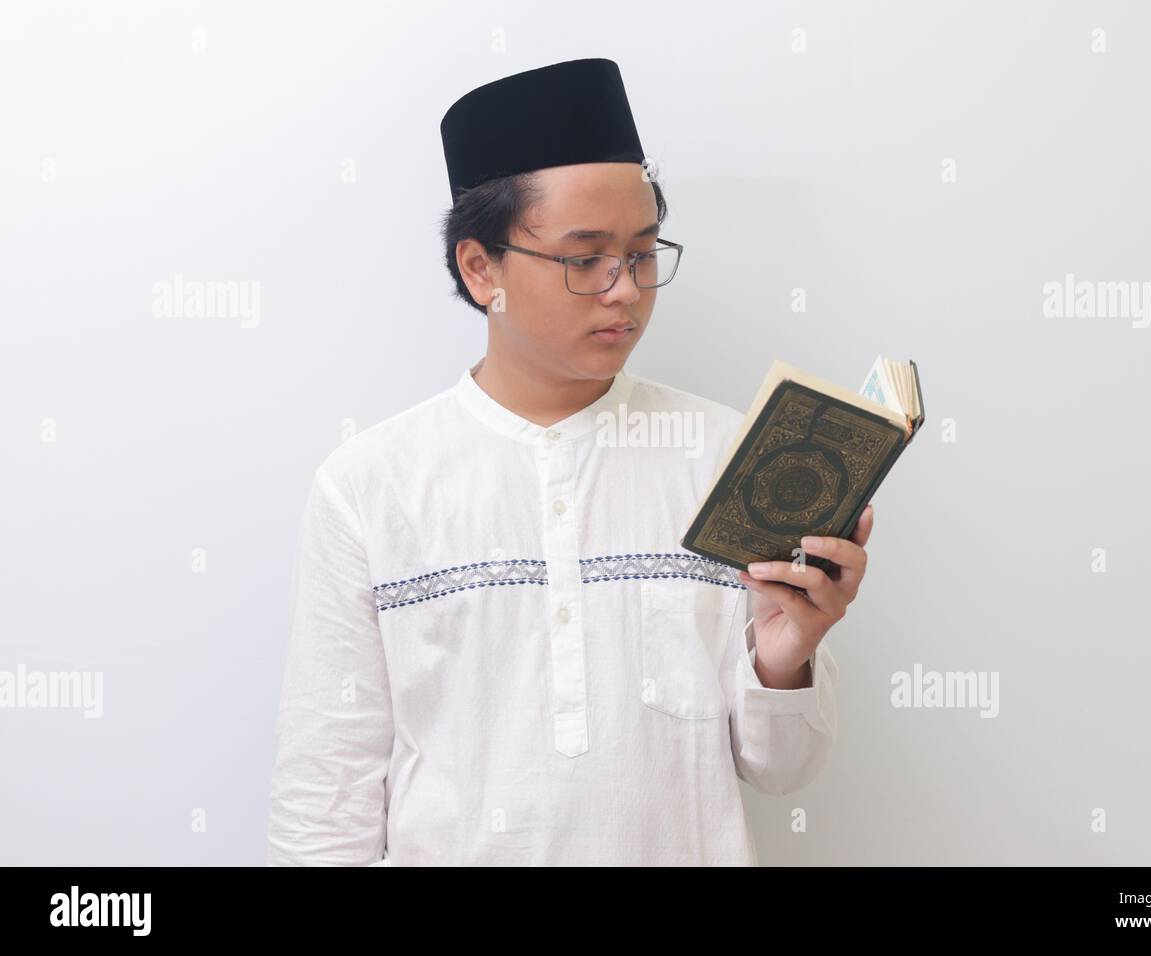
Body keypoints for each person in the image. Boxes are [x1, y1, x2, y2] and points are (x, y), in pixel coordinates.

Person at [266, 57, 874, 866]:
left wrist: (784, 658)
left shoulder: (724, 456)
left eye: (644, 253)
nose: (625, 289)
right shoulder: (372, 485)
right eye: (584, 259)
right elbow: (324, 797)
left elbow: (784, 770)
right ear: (482, 269)